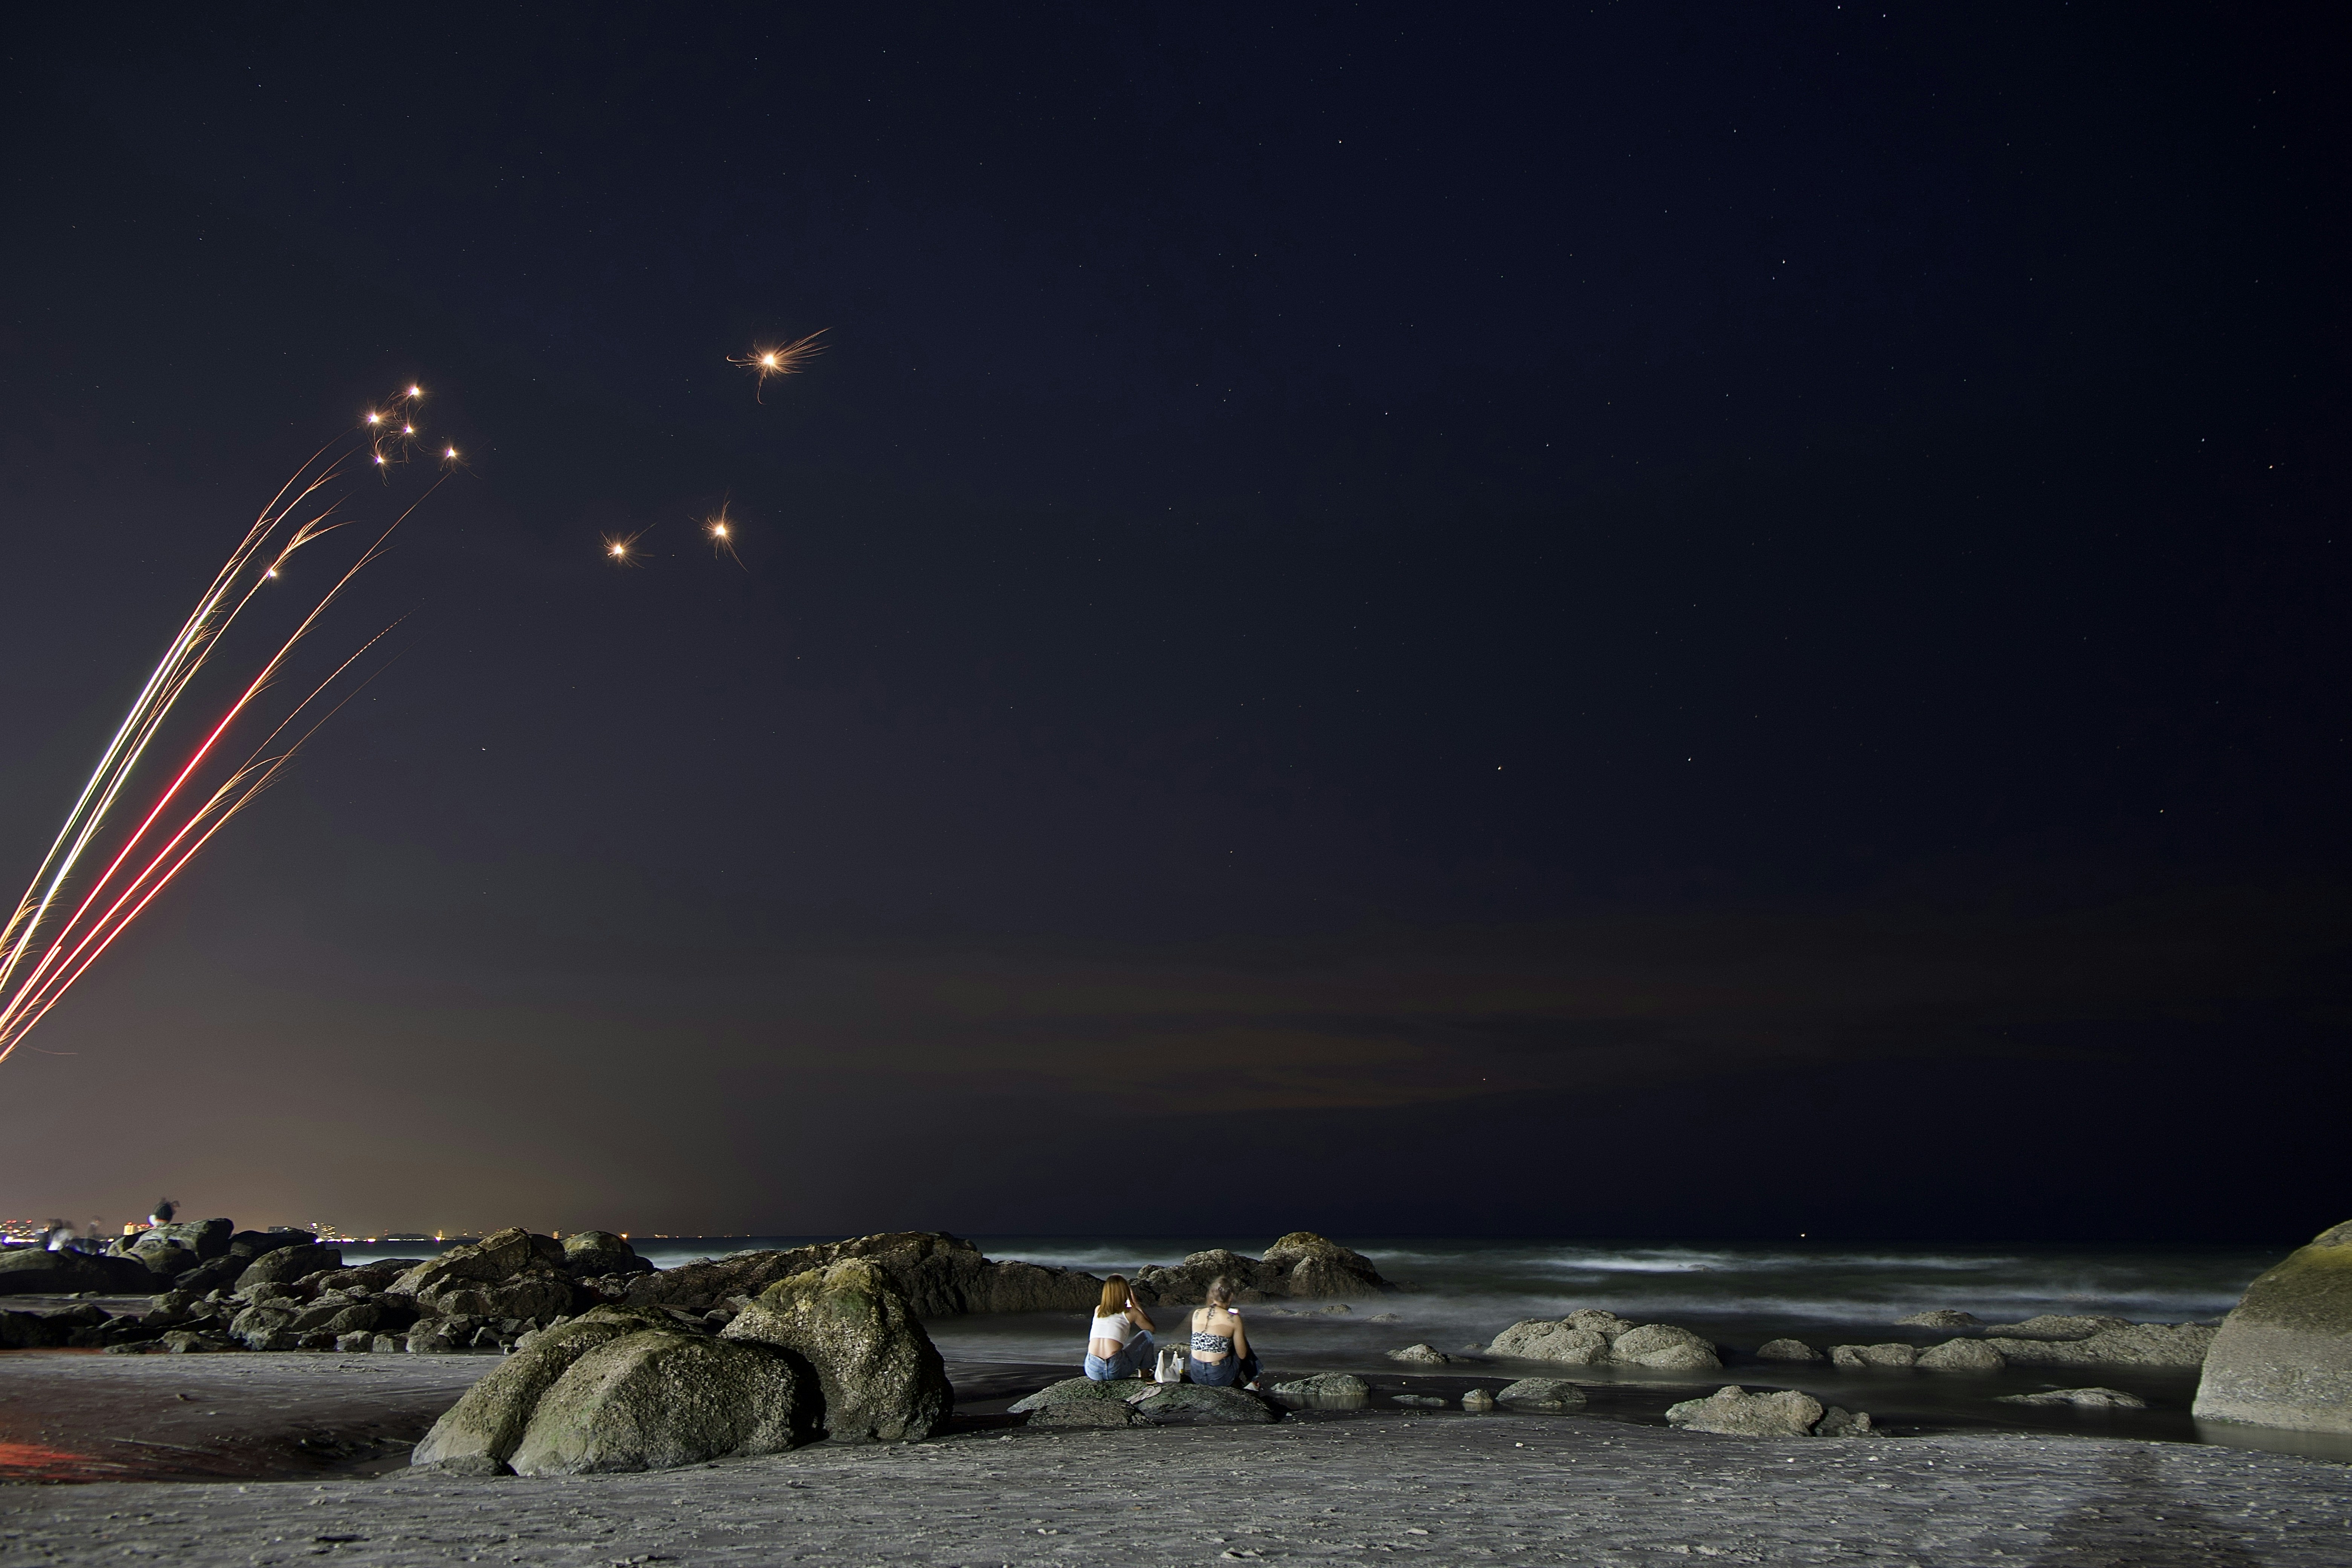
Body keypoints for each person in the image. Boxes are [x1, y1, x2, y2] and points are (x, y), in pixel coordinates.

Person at [1186, 1276, 1261, 1389]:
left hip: (1197, 1376)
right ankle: (1253, 1379)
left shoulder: (1197, 1313)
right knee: (1242, 1346)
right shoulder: (1233, 1319)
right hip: (1219, 1377)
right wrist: (1238, 1320)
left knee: (1203, 1343)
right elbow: (1243, 1355)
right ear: (1231, 1297)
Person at [1084, 1274, 1156, 1380]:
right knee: (1147, 1336)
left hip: (1092, 1370)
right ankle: (1145, 1374)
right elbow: (1151, 1329)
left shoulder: (1099, 1310)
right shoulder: (1131, 1312)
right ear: (1125, 1292)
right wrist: (1136, 1305)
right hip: (1115, 1369)